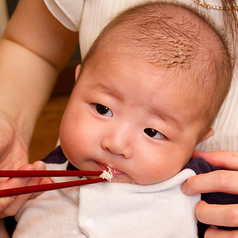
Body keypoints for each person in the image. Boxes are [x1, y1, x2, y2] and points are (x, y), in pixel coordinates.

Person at [0, 0, 238, 237]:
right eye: (103, 109)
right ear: (77, 82)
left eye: (152, 132)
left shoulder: (196, 189)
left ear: (198, 139)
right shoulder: (43, 175)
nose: (116, 144)